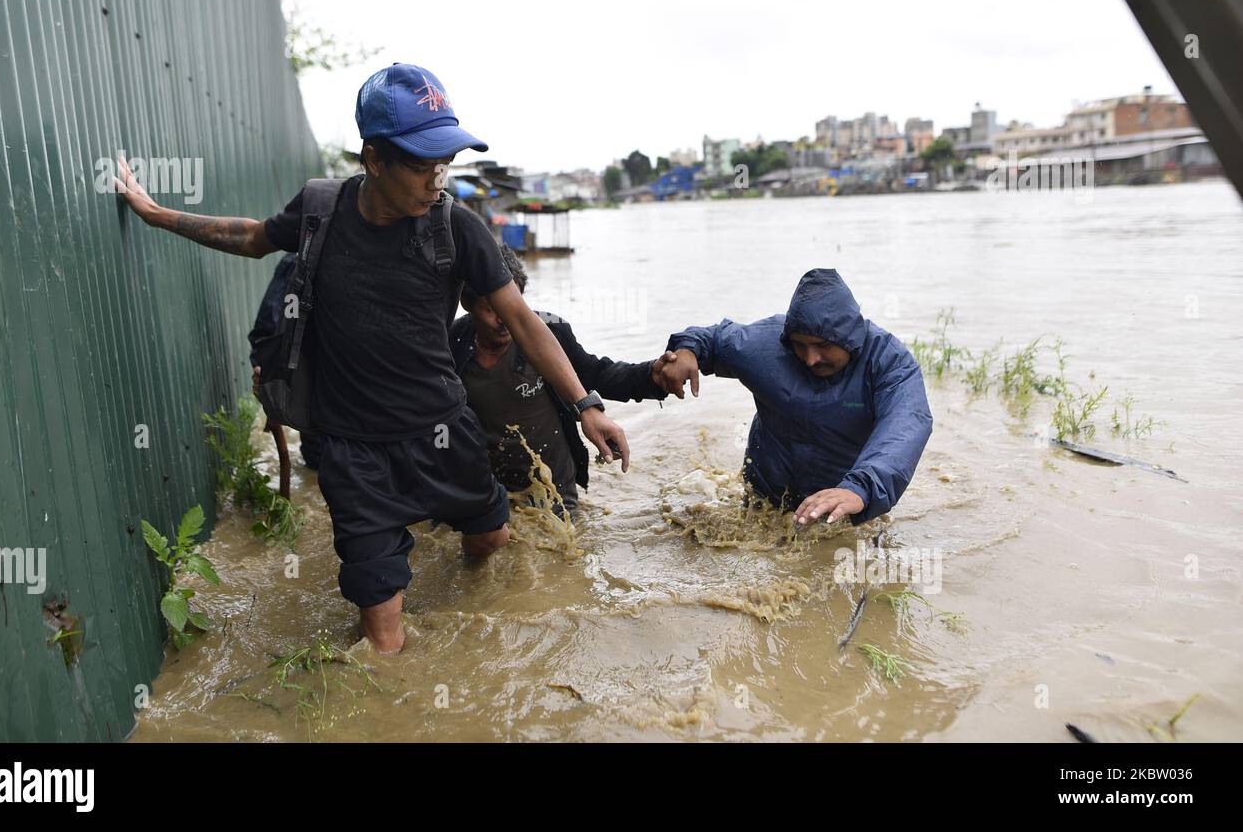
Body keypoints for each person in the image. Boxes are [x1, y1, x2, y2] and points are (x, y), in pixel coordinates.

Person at [114, 62, 631, 654]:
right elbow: (252, 237)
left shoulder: (458, 229)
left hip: (441, 430)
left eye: (446, 162)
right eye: (421, 163)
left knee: (490, 541)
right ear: (374, 158)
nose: (437, 179)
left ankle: (474, 639)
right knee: (384, 638)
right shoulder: (320, 212)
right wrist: (157, 215)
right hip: (350, 447)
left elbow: (522, 320)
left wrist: (587, 405)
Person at [658, 269, 932, 527]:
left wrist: (861, 488)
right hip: (766, 500)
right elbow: (713, 339)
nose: (811, 358)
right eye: (801, 345)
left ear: (850, 336)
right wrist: (687, 351)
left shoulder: (888, 362)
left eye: (823, 346)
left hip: (845, 502)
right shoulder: (768, 344)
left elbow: (906, 426)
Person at [448, 244, 672, 514]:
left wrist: (653, 376)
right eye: (492, 308)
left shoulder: (548, 332)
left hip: (553, 491)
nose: (504, 318)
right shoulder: (452, 343)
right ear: (467, 304)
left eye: (513, 304)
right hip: (487, 491)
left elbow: (596, 373)